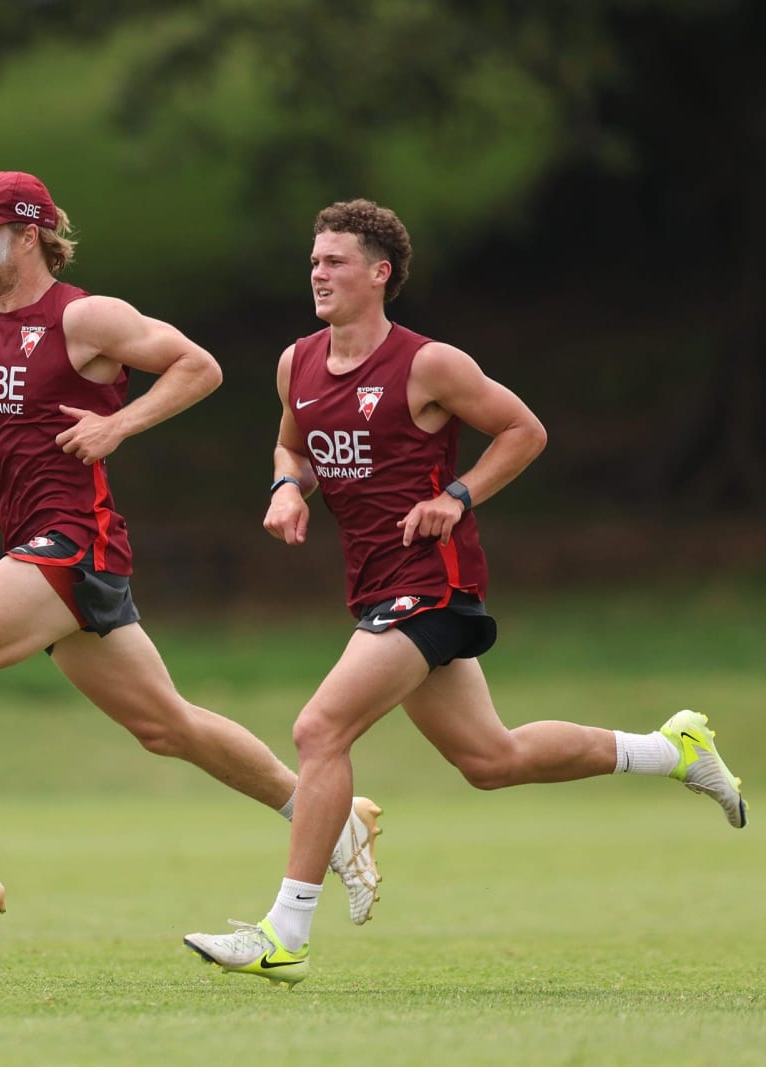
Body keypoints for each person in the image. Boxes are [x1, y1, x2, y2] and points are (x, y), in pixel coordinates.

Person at [184, 198, 748, 986]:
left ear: (380, 274)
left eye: (336, 260)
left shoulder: (427, 365)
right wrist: (286, 487)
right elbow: (291, 442)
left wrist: (459, 494)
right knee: (491, 756)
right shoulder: (297, 363)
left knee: (319, 730)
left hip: (431, 585)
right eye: (313, 259)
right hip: (373, 586)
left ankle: (286, 931)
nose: (318, 271)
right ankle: (671, 749)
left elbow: (524, 430)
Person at [0, 171, 384, 944]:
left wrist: (116, 425)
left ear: (29, 234)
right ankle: (329, 822)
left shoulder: (86, 316)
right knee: (168, 727)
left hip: (70, 541)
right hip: (37, 544)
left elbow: (200, 366)